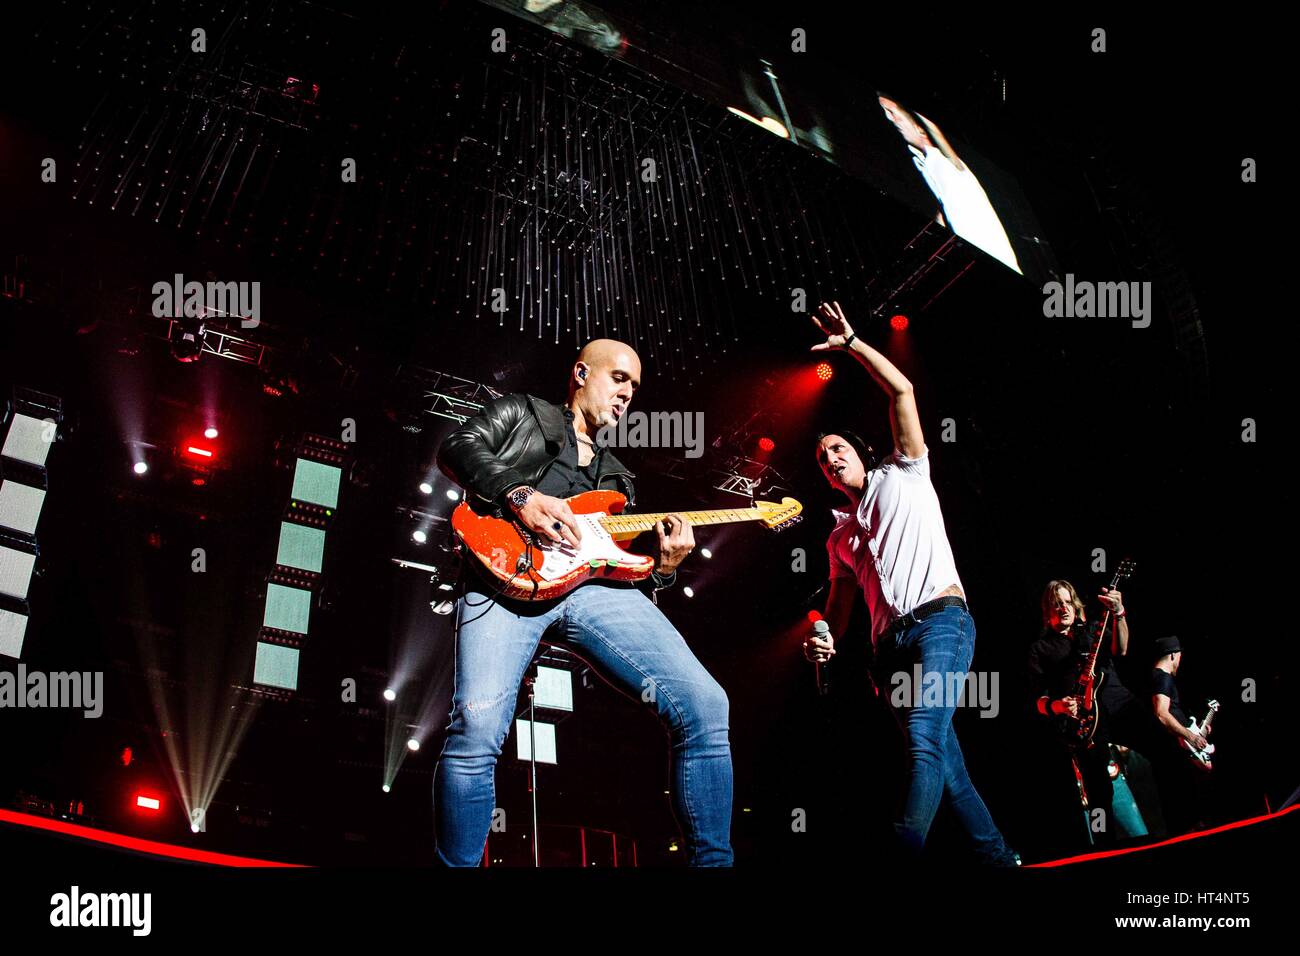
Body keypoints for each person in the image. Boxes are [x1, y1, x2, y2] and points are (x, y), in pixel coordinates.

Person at [433, 339, 733, 866]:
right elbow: (457, 446)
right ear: (579, 373)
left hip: (592, 592)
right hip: (503, 577)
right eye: (619, 379)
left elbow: (623, 568)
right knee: (476, 730)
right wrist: (522, 496)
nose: (627, 395)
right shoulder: (523, 412)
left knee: (707, 705)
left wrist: (663, 570)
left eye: (635, 388)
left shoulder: (620, 479)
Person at [802, 301, 1017, 865]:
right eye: (822, 459)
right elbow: (837, 609)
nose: (829, 459)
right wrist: (823, 636)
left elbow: (901, 392)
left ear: (860, 450)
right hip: (887, 650)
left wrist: (851, 344)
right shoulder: (838, 538)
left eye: (837, 449)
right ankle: (1000, 860)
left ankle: (900, 855)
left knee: (924, 734)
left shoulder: (905, 470)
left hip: (942, 623)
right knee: (945, 764)